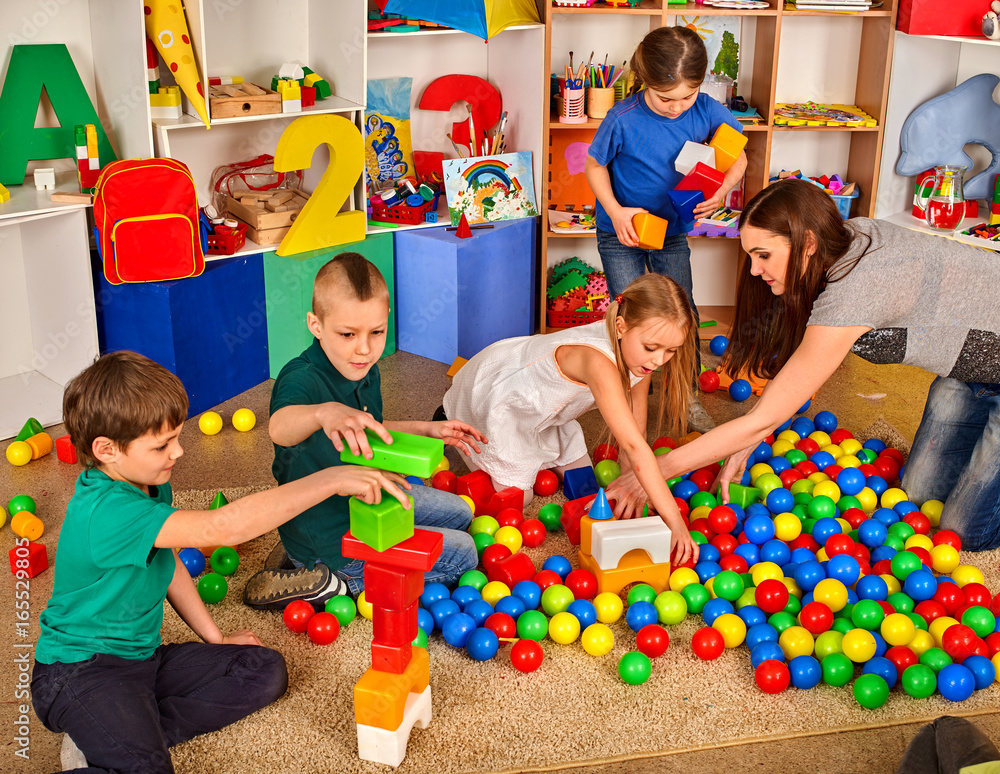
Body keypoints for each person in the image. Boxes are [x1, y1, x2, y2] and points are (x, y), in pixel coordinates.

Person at [32, 351, 411, 773]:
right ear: (106, 450)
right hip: (81, 672)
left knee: (262, 670)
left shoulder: (147, 486)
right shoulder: (106, 510)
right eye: (162, 445)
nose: (177, 452)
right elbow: (222, 528)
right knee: (148, 769)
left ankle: (117, 736)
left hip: (142, 661)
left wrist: (215, 639)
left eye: (176, 437)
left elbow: (167, 564)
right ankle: (117, 743)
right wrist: (332, 479)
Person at [606, 179, 1000, 553]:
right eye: (751, 256)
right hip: (966, 375)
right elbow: (781, 397)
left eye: (763, 255)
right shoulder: (845, 241)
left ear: (808, 243)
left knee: (964, 534)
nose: (756, 270)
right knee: (918, 499)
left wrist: (653, 473)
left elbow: (764, 417)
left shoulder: (858, 291)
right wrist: (745, 442)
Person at [243, 252, 484, 610]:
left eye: (377, 332)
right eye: (347, 334)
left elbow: (369, 427)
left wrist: (426, 429)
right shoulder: (301, 377)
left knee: (460, 514)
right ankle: (328, 579)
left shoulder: (362, 365)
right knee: (463, 555)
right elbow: (280, 428)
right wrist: (325, 412)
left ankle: (307, 555)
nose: (365, 348)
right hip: (330, 532)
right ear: (316, 325)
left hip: (367, 499)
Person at [443, 273, 700, 565]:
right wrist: (675, 522)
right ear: (620, 327)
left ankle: (536, 453)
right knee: (519, 498)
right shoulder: (598, 362)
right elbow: (633, 445)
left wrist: (633, 480)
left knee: (585, 481)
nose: (658, 360)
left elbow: (634, 426)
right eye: (652, 348)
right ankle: (454, 430)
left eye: (671, 351)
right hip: (502, 401)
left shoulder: (638, 354)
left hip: (549, 414)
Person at [585, 26, 748, 434]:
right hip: (621, 233)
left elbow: (739, 157)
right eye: (665, 98)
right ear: (645, 80)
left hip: (672, 231)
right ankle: (626, 394)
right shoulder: (622, 117)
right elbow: (594, 165)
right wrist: (616, 211)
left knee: (683, 311)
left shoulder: (707, 110)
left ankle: (685, 396)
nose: (677, 108)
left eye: (686, 97)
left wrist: (724, 188)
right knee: (630, 314)